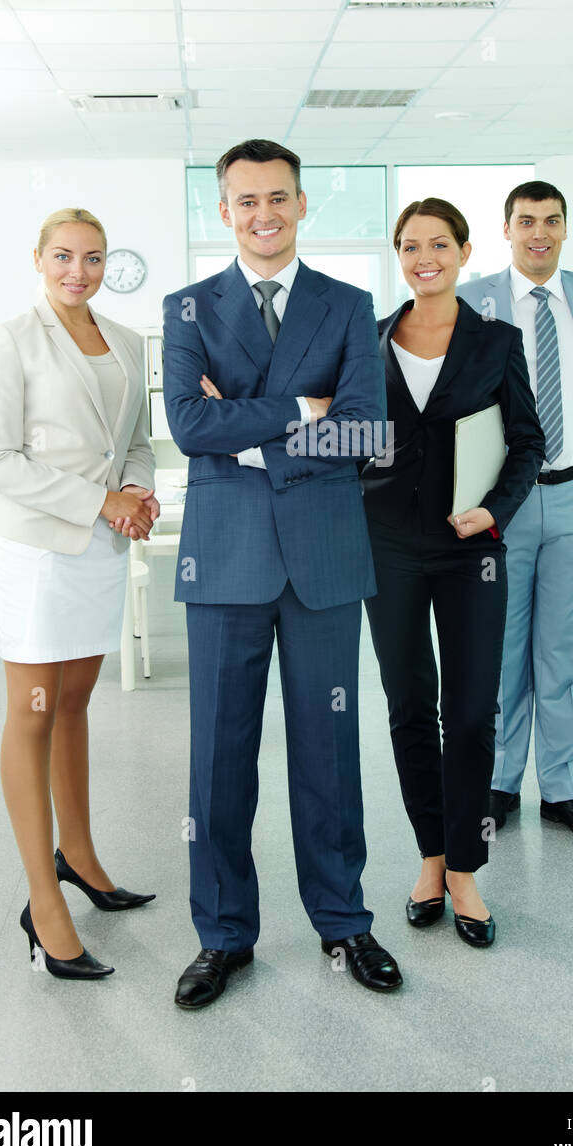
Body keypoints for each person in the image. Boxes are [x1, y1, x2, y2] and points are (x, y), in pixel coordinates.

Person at [163, 139, 402, 1009]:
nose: (263, 214)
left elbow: (367, 433)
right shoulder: (188, 308)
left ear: (303, 205)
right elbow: (190, 425)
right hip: (225, 558)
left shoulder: (347, 305)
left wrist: (252, 428)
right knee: (218, 760)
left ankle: (344, 923)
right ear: (223, 212)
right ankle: (224, 936)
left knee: (330, 754)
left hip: (324, 559)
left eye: (278, 198)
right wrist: (304, 410)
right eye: (245, 200)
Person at [0, 208, 159, 981]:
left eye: (91, 257)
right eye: (62, 257)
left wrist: (138, 492)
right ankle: (42, 898)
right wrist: (98, 500)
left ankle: (79, 855)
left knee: (77, 703)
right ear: (40, 259)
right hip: (41, 551)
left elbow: (139, 443)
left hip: (101, 551)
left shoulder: (125, 339)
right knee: (34, 709)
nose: (77, 271)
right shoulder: (14, 337)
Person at [360, 198, 544, 947]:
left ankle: (466, 865)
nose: (423, 257)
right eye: (409, 245)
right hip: (389, 547)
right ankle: (431, 857)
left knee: (471, 712)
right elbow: (345, 429)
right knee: (410, 708)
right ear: (397, 255)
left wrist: (495, 511)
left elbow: (528, 442)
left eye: (438, 244)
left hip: (472, 549)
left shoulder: (496, 340)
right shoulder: (372, 339)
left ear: (465, 252)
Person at [460, 181, 573, 842]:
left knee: (562, 656)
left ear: (566, 228)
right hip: (501, 504)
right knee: (502, 652)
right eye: (527, 222)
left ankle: (564, 788)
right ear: (506, 229)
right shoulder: (471, 299)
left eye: (552, 221)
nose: (539, 233)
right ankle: (501, 783)